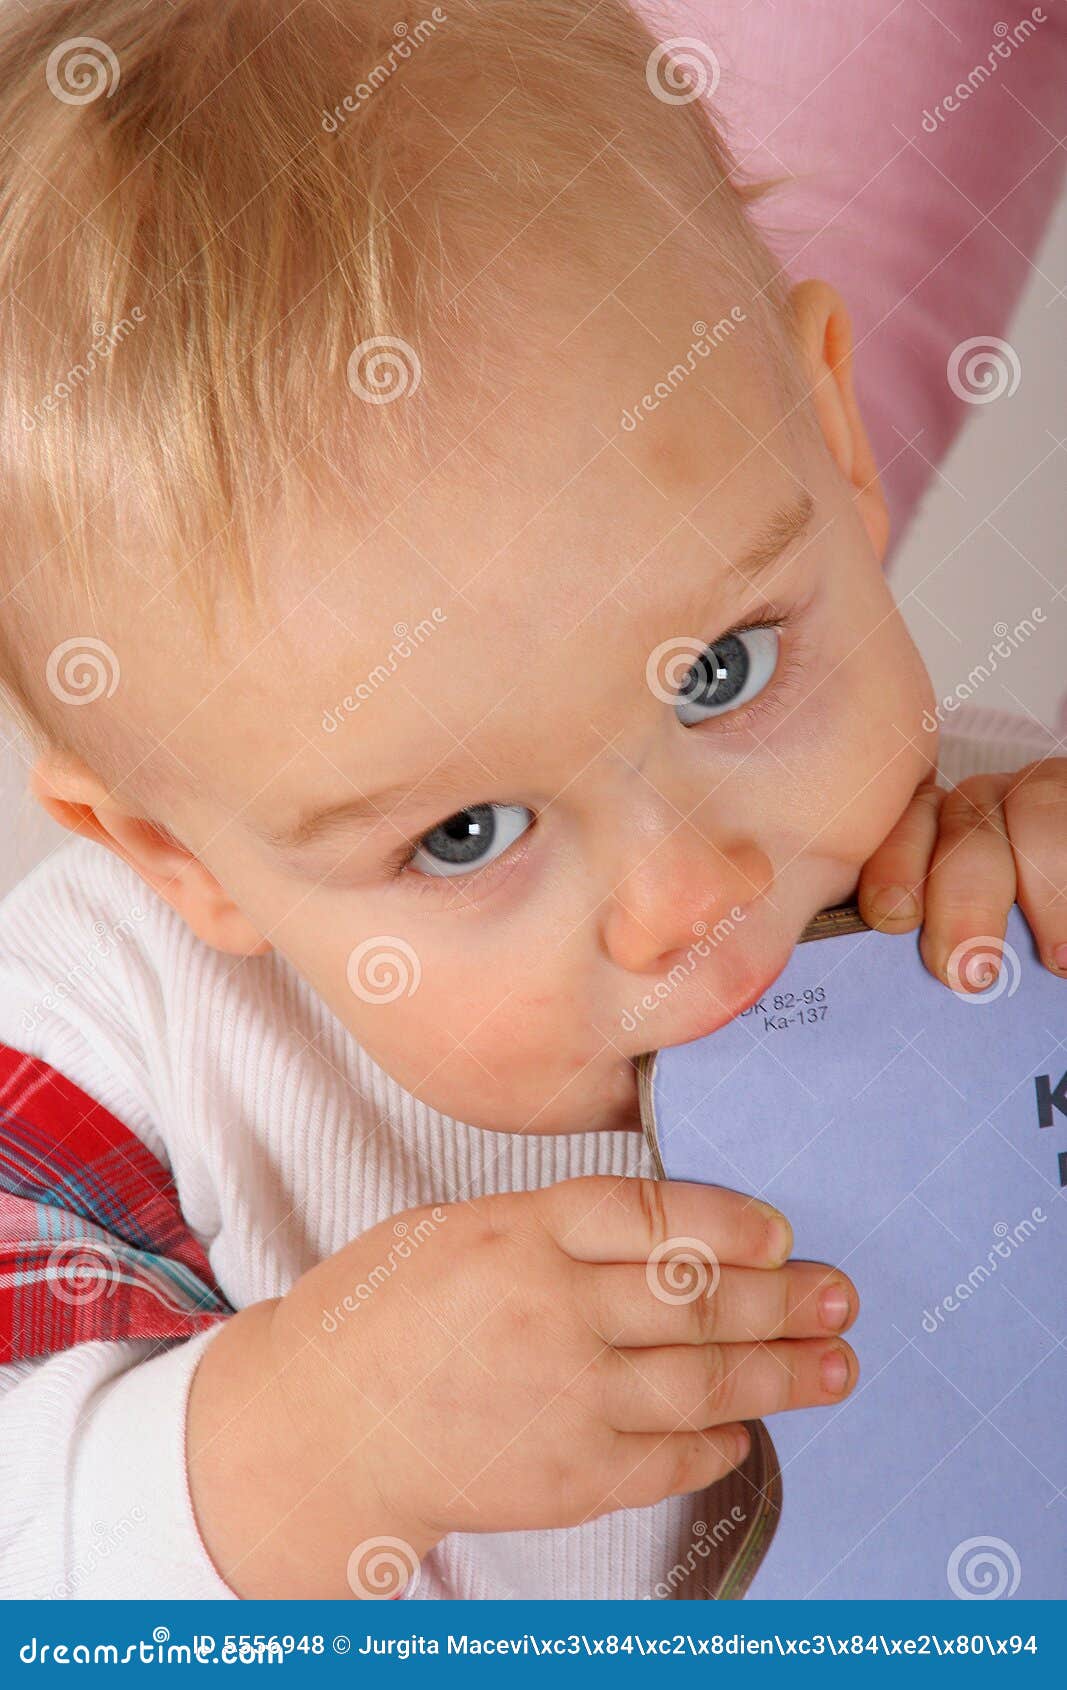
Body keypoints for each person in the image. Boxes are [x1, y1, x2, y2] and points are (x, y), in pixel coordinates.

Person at [0, 0, 1062, 1600]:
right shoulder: (109, 1034)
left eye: (722, 670)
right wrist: (310, 1442)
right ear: (173, 854)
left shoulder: (1002, 865)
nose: (687, 894)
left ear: (835, 436)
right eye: (463, 835)